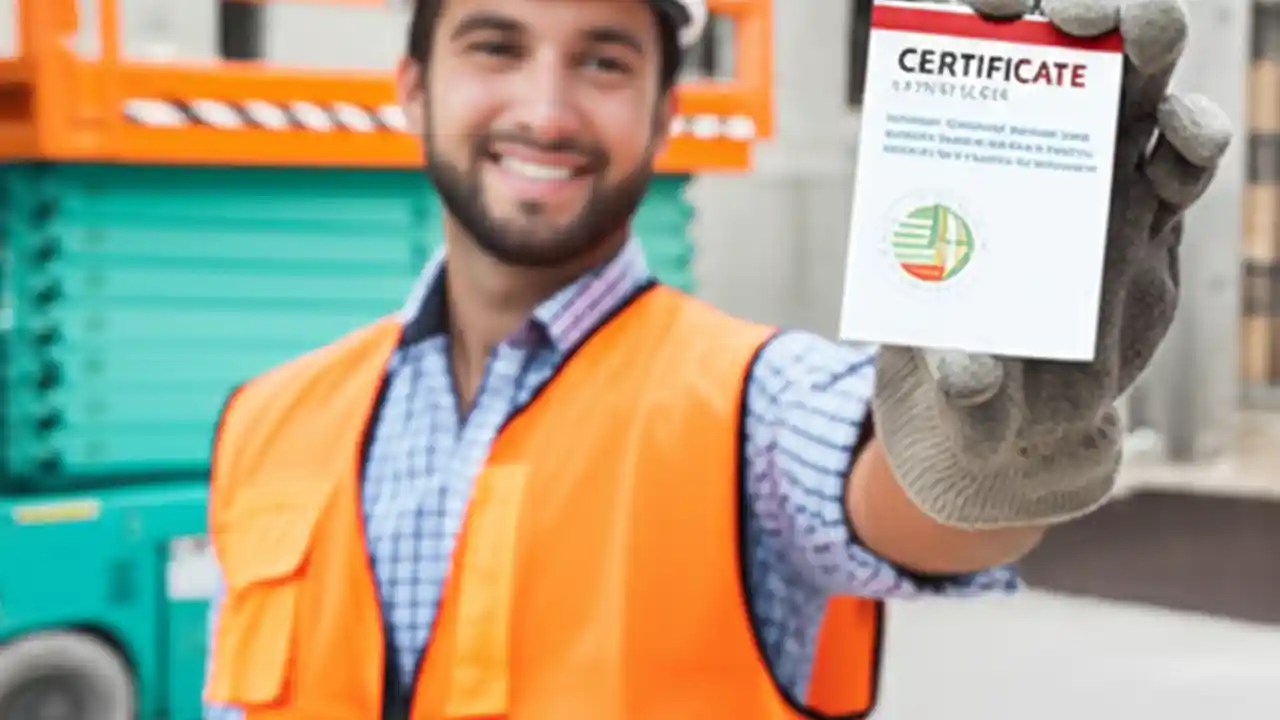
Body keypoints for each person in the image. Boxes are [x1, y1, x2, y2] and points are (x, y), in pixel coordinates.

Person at [201, 0, 1231, 717]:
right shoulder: (269, 416)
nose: (546, 108)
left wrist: (988, 461)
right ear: (413, 88)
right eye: (495, 46)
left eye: (603, 59)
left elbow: (908, 506)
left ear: (663, 111)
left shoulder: (755, 401)